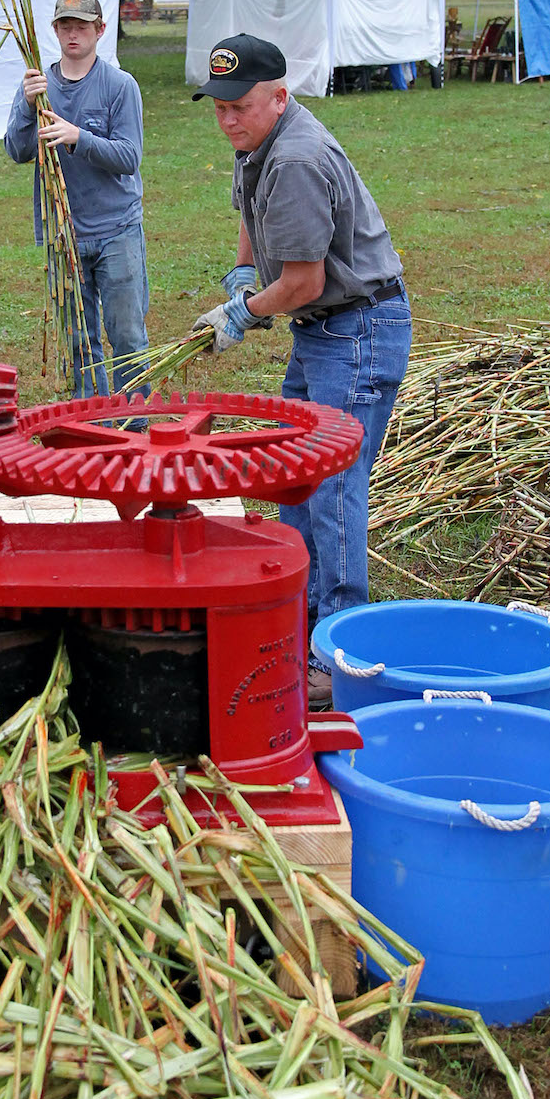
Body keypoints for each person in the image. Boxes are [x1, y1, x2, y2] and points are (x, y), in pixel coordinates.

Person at [189, 34, 411, 700]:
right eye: (220, 106)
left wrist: (242, 312)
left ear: (280, 97)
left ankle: (338, 655)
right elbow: (251, 213)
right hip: (322, 330)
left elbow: (305, 282)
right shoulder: (256, 142)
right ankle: (302, 619)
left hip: (358, 328)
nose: (229, 119)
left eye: (241, 106)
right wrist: (242, 271)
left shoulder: (297, 159)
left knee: (334, 488)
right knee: (297, 476)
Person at [5, 0, 149, 399]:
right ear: (55, 30)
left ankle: (133, 421)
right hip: (62, 232)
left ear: (99, 30)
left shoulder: (119, 86)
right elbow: (17, 150)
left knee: (127, 335)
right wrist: (27, 107)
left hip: (116, 228)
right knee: (79, 340)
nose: (73, 34)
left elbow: (128, 157)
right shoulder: (38, 87)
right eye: (65, 26)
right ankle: (91, 420)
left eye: (82, 26)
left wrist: (77, 137)